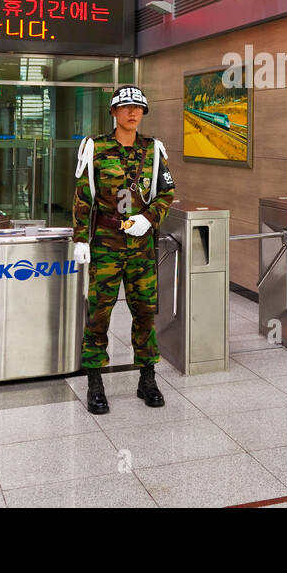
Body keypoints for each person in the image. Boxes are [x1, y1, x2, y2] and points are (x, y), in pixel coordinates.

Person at [72, 85, 175, 414]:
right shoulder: (94, 147)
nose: (133, 113)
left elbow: (166, 193)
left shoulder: (154, 149)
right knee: (99, 313)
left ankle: (147, 378)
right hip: (105, 242)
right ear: (114, 112)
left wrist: (149, 218)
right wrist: (79, 239)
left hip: (141, 246)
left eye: (139, 108)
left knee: (145, 312)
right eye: (126, 107)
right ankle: (95, 381)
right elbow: (82, 196)